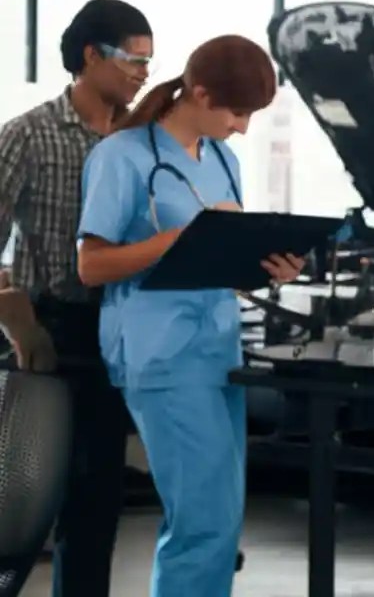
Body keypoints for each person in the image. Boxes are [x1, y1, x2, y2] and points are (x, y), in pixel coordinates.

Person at [76, 34, 304, 596]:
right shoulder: (122, 156)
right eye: (238, 112)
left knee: (222, 519)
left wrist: (268, 264)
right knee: (201, 521)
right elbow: (91, 265)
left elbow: (215, 257)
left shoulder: (223, 158)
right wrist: (180, 239)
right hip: (159, 354)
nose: (244, 127)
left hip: (217, 352)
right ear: (199, 93)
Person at [0, 0, 153, 596]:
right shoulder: (28, 136)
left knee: (97, 500)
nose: (143, 73)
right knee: (25, 501)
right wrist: (19, 327)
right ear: (91, 57)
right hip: (49, 337)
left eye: (149, 62)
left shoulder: (144, 144)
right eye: (133, 59)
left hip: (120, 331)